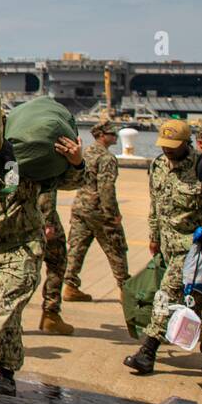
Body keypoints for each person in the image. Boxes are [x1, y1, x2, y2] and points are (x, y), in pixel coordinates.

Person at [0, 139, 84, 396]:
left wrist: (76, 162)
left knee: (8, 311)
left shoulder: (27, 161)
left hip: (22, 245)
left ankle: (4, 370)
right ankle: (2, 344)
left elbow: (68, 181)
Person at [124, 119, 202, 374]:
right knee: (200, 301)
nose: (168, 150)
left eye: (173, 146)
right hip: (168, 247)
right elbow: (156, 205)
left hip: (196, 249)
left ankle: (147, 351)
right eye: (164, 145)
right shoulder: (158, 166)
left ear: (187, 143)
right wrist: (153, 237)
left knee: (166, 295)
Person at [62, 118, 129, 302]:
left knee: (77, 248)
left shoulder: (86, 153)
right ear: (101, 135)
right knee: (116, 248)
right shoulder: (106, 158)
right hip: (99, 210)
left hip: (80, 207)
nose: (115, 136)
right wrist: (112, 215)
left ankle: (70, 286)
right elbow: (106, 188)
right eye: (111, 133)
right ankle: (126, 289)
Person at [36, 189, 74, 334]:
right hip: (38, 216)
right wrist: (48, 221)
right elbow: (47, 184)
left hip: (15, 214)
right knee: (57, 262)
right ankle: (50, 315)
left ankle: (9, 317)